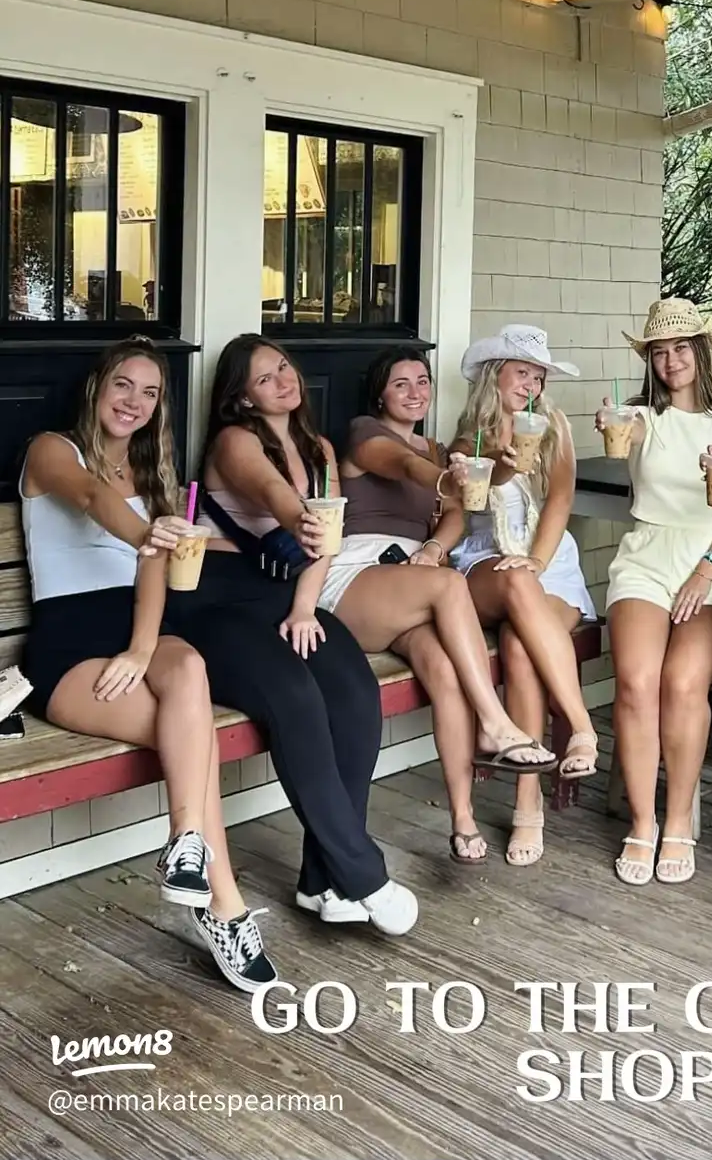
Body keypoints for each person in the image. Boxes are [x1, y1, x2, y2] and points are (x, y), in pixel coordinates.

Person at [18, 336, 277, 994]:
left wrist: (140, 648)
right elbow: (87, 498)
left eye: (150, 391)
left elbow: (155, 576)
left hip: (131, 633)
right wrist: (148, 532)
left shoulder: (152, 474)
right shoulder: (53, 451)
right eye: (123, 385)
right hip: (67, 647)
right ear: (97, 388)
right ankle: (224, 906)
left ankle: (187, 846)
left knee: (185, 667)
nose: (134, 401)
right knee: (192, 735)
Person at [188, 333, 418, 935]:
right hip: (219, 599)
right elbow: (273, 495)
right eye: (265, 378)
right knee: (294, 695)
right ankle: (363, 872)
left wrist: (306, 609)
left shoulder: (318, 447)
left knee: (354, 692)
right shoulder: (234, 441)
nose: (282, 381)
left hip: (290, 595)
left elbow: (330, 537)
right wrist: (302, 519)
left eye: (284, 368)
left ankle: (323, 879)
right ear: (241, 397)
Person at [317, 345, 558, 865]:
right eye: (400, 383)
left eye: (422, 381)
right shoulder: (365, 434)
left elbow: (457, 509)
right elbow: (404, 465)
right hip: (356, 576)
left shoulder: (436, 446)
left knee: (444, 670)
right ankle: (495, 723)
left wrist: (437, 542)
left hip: (411, 578)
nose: (414, 392)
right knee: (452, 588)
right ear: (380, 393)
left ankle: (463, 819)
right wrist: (451, 476)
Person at [600, 298, 712, 887]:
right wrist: (611, 422)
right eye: (659, 352)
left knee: (683, 681)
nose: (670, 361)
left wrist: (703, 571)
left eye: (681, 348)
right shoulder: (643, 418)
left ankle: (680, 817)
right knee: (638, 682)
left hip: (711, 564)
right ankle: (641, 822)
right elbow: (625, 428)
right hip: (645, 557)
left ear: (702, 352)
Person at [448, 324, 599, 867]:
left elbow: (560, 499)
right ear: (496, 375)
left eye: (538, 376)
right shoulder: (472, 437)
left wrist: (537, 559)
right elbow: (468, 493)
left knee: (518, 644)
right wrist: (502, 465)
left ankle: (527, 804)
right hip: (489, 564)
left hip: (549, 565)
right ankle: (582, 728)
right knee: (513, 583)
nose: (531, 384)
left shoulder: (551, 423)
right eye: (522, 373)